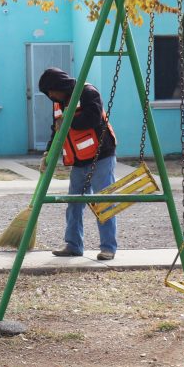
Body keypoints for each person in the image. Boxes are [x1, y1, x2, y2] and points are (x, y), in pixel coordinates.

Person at [38, 67, 118, 261]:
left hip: (101, 156)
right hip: (79, 160)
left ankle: (108, 248)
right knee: (74, 203)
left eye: (50, 90)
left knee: (103, 202)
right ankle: (73, 245)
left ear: (59, 85)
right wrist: (48, 152)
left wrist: (68, 121)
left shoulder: (88, 92)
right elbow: (55, 130)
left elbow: (93, 117)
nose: (50, 95)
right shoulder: (58, 104)